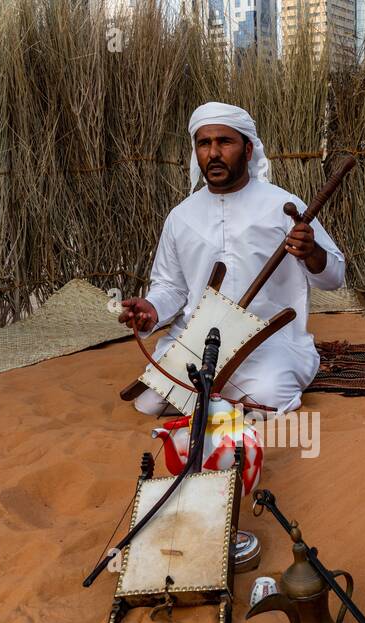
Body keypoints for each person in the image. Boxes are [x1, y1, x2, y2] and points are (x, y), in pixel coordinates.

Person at [119, 102, 346, 415]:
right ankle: (215, 402)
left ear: (249, 149)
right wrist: (152, 309)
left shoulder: (283, 206)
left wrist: (312, 253)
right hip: (200, 340)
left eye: (224, 142)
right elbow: (170, 286)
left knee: (267, 398)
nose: (213, 153)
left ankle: (211, 404)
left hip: (267, 343)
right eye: (204, 143)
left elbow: (334, 277)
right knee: (148, 404)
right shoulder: (180, 217)